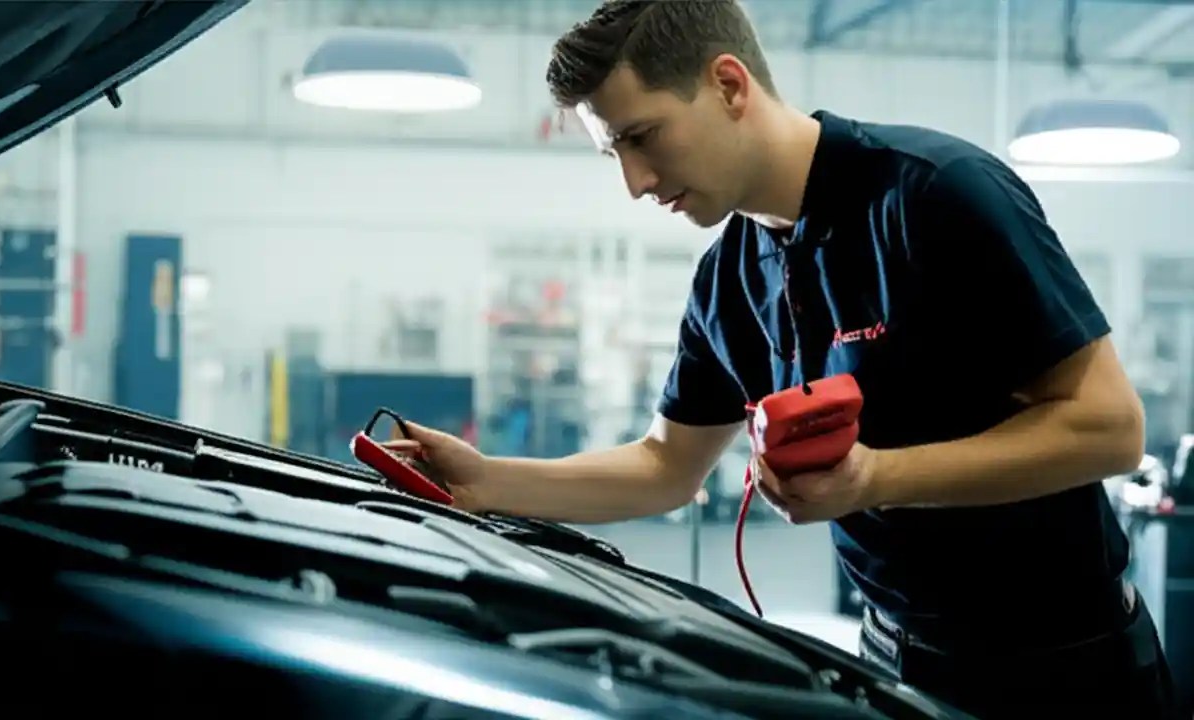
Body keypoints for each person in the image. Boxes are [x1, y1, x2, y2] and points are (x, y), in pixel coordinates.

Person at [384, 1, 1181, 717]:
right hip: (893, 658)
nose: (633, 182)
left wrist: (877, 480)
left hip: (1065, 668)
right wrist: (487, 482)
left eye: (641, 137)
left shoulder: (937, 195)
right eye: (613, 155)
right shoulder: (729, 277)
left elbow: (1108, 428)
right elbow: (667, 466)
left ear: (729, 85)